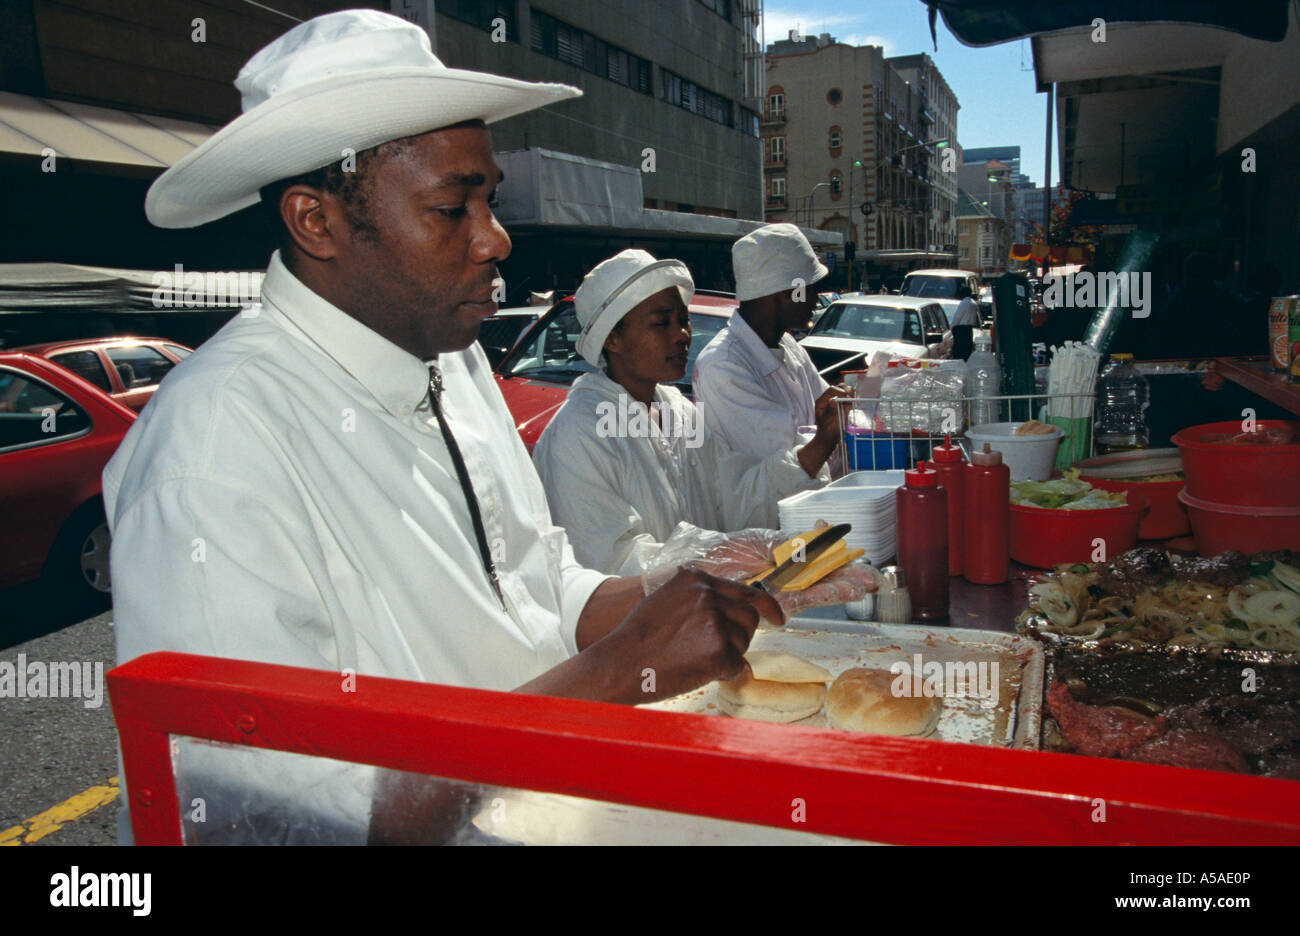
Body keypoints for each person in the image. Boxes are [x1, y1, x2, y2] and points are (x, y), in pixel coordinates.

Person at [103, 9, 781, 845]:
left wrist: (691, 594)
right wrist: (614, 672)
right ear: (316, 222)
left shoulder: (448, 359)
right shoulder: (211, 452)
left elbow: (538, 594)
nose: (495, 239)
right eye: (450, 210)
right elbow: (267, 823)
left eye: (488, 201)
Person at [533, 249, 832, 575]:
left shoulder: (679, 412)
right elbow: (613, 564)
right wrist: (730, 555)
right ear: (613, 339)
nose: (682, 335)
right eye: (662, 322)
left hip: (702, 610)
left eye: (683, 319)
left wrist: (817, 448)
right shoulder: (579, 433)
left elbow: (734, 499)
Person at [693, 223, 850, 471]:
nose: (815, 299)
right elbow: (791, 462)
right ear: (788, 292)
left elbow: (834, 416)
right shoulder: (722, 366)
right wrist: (828, 431)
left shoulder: (788, 345)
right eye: (810, 289)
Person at [949, 283, 981, 360]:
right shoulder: (973, 303)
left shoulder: (964, 303)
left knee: (959, 353)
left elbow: (957, 317)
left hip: (960, 329)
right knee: (967, 351)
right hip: (969, 329)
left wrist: (952, 327)